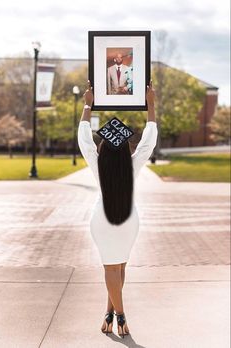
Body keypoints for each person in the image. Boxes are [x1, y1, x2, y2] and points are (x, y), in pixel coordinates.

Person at [77, 80, 158, 338]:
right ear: (125, 149)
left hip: (102, 219)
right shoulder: (132, 166)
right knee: (120, 267)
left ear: (104, 148)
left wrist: (88, 105)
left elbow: (84, 141)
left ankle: (115, 314)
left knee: (113, 267)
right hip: (128, 219)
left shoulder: (97, 164)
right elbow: (148, 142)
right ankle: (113, 313)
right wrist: (151, 106)